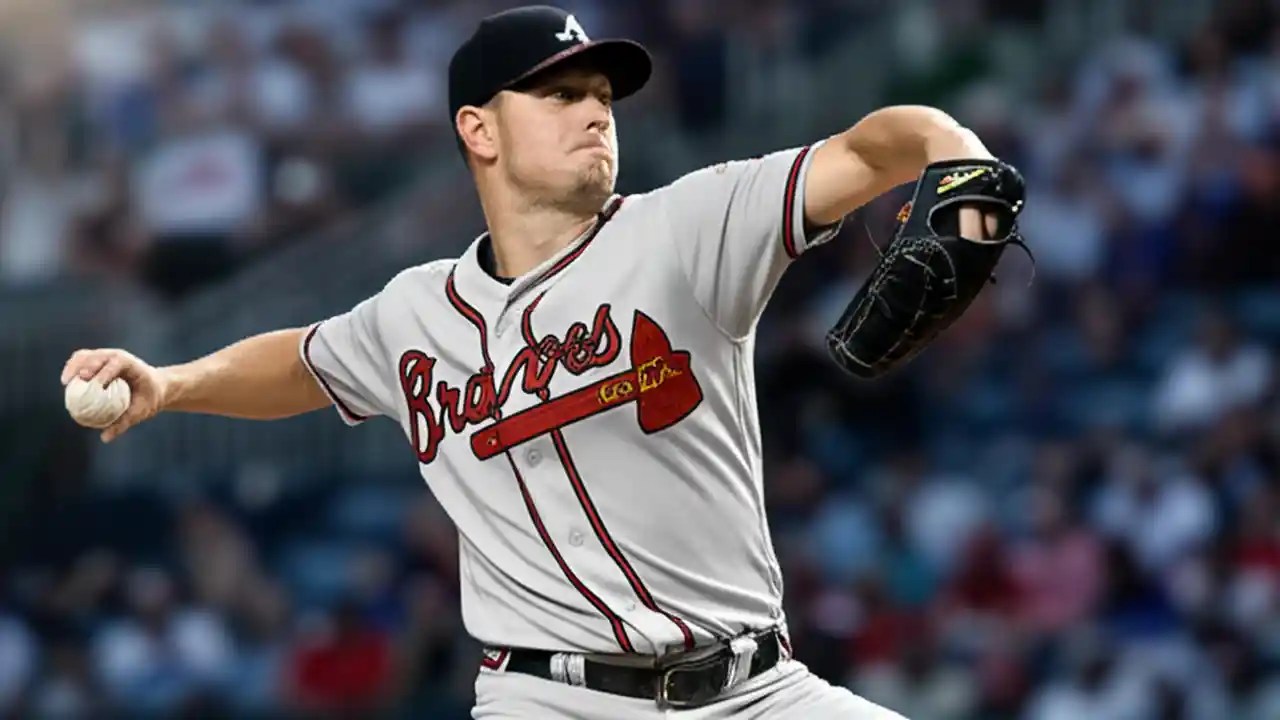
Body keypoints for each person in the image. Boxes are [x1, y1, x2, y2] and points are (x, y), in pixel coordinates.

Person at [61, 6, 1013, 717]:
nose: (595, 113)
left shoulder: (689, 227)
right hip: (549, 700)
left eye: (601, 96)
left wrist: (954, 149)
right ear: (478, 130)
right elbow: (304, 364)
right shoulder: (413, 313)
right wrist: (171, 384)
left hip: (755, 691)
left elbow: (871, 150)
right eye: (559, 95)